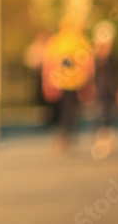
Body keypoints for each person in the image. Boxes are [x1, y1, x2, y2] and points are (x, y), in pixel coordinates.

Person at [41, 16, 94, 153]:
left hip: (60, 81)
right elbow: (88, 62)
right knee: (70, 110)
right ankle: (66, 134)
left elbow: (48, 62)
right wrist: (89, 80)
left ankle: (63, 134)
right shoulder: (80, 40)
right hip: (75, 81)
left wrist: (47, 80)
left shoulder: (57, 41)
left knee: (61, 109)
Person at [89, 20, 118, 159]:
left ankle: (104, 141)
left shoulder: (112, 60)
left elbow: (117, 77)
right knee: (99, 116)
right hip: (99, 94)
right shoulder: (94, 60)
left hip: (109, 94)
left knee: (107, 116)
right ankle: (104, 139)